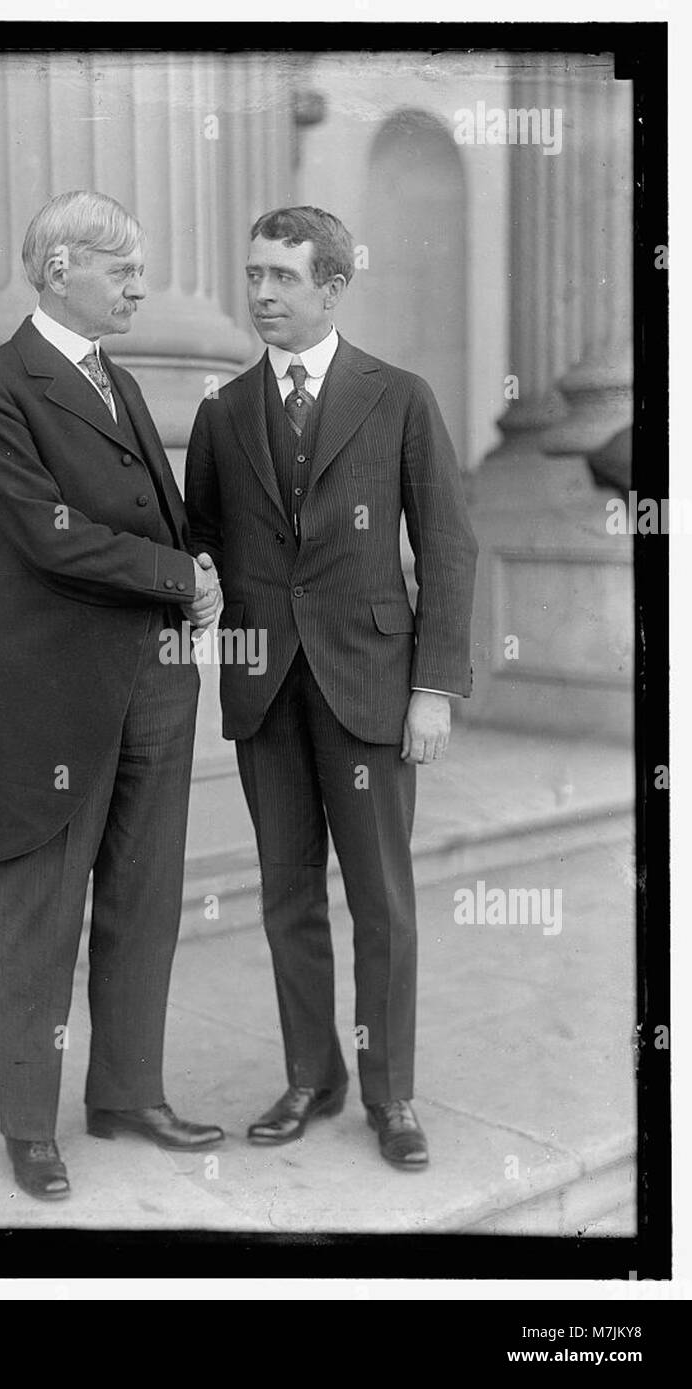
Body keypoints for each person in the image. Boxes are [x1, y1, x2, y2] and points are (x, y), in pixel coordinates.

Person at [185, 206, 477, 1169]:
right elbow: (205, 543)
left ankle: (389, 1094)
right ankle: (312, 1075)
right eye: (253, 275)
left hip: (372, 685)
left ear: (332, 288)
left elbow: (445, 545)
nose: (261, 294)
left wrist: (433, 687)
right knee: (285, 894)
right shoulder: (223, 412)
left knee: (382, 901)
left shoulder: (396, 396)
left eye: (282, 277)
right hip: (265, 690)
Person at [0, 190, 224, 1201]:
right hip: (52, 689)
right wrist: (176, 577)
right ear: (61, 269)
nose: (141, 286)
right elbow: (46, 533)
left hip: (154, 678)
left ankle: (126, 1094)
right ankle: (31, 1126)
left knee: (145, 898)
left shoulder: (118, 379)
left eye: (143, 269)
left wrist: (203, 564)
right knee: (42, 913)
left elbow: (165, 513)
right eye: (123, 270)